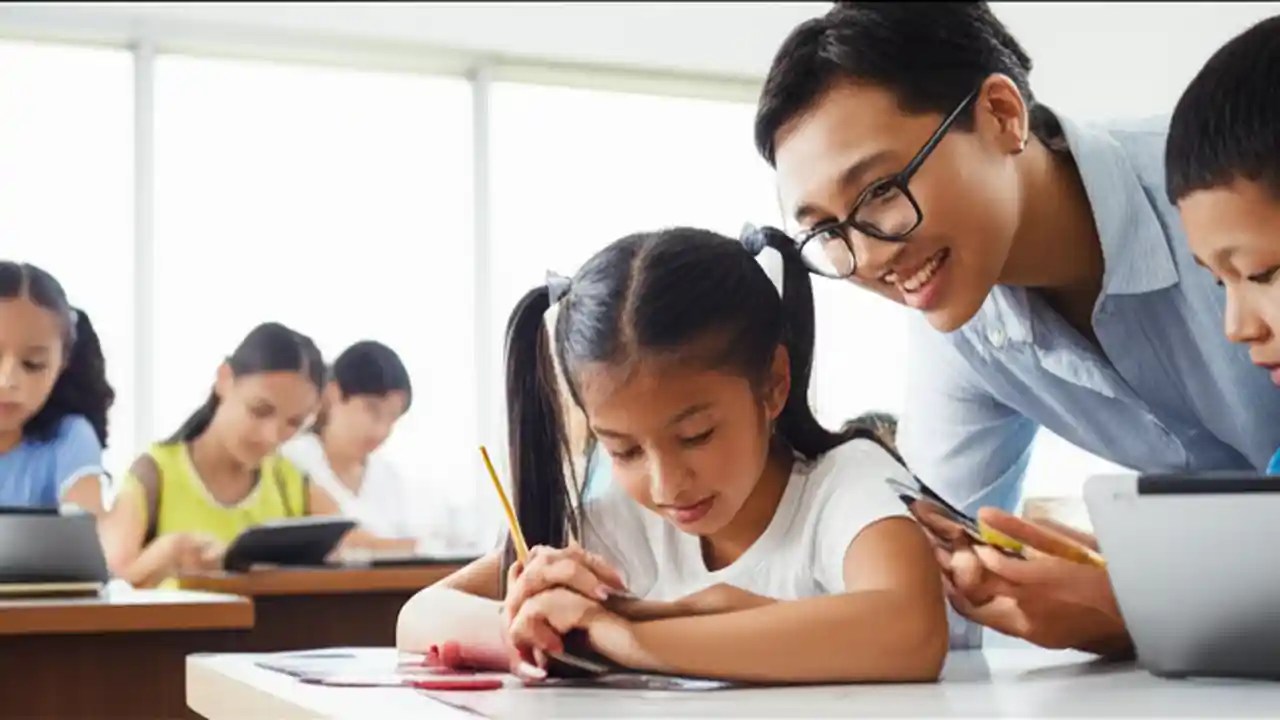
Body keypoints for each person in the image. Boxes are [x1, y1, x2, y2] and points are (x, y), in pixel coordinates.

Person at [753, 2, 1280, 655]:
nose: (867, 256)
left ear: (1002, 115)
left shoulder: (1231, 187)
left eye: (880, 192)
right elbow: (935, 595)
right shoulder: (958, 320)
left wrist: (1138, 606)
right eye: (827, 232)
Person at [397, 226, 947, 684]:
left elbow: (910, 629)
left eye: (697, 435)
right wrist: (529, 623)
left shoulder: (843, 486)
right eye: (624, 449)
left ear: (774, 383)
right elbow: (418, 617)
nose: (665, 486)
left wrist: (625, 632)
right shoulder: (620, 522)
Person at [98, 322, 326, 587]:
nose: (271, 436)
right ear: (225, 379)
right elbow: (109, 590)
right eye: (260, 410)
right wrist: (166, 555)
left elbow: (358, 545)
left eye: (293, 423)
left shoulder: (290, 482)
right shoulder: (156, 473)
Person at [282, 340, 419, 553]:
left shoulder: (388, 477)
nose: (381, 430)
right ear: (334, 393)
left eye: (392, 418)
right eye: (372, 410)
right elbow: (340, 539)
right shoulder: (293, 460)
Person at [0, 261, 114, 513]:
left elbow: (85, 532)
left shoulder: (68, 438)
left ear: (61, 365)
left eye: (33, 364)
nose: (7, 381)